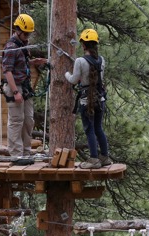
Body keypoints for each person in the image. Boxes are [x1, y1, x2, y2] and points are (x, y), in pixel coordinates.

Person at [1, 13, 47, 157]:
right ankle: (16, 155)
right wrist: (15, 92)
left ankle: (26, 152)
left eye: (29, 34)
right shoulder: (11, 46)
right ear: (18, 30)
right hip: (15, 87)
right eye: (26, 34)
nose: (28, 37)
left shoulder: (23, 45)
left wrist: (34, 62)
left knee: (28, 120)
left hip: (25, 87)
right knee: (16, 121)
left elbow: (21, 64)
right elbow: (7, 71)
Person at [65, 28, 111, 169]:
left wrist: (65, 73)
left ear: (84, 45)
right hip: (100, 99)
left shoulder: (80, 61)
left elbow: (73, 80)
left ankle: (93, 160)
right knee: (98, 128)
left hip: (87, 101)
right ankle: (104, 157)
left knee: (89, 129)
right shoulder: (102, 60)